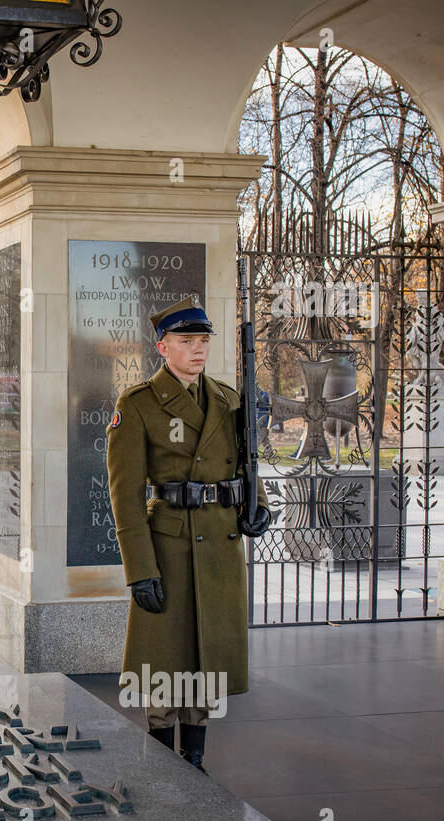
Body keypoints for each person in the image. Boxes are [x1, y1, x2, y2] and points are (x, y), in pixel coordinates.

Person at [105, 294, 271, 773]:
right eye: (186, 341)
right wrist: (139, 569)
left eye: (203, 341)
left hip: (219, 541)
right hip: (170, 544)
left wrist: (256, 507)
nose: (198, 350)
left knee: (206, 657)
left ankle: (195, 757)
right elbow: (125, 492)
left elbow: (245, 464)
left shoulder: (226, 398)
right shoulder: (138, 404)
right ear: (163, 346)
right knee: (165, 655)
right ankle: (161, 756)